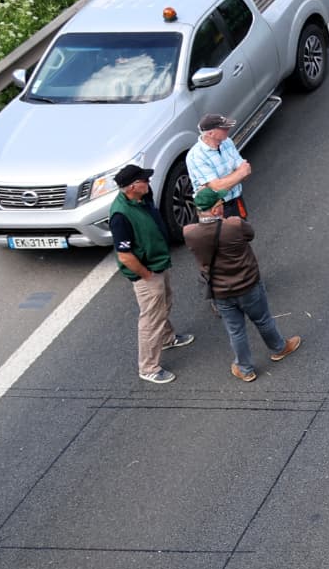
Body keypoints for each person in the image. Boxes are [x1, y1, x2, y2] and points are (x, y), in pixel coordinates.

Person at [184, 187, 302, 383]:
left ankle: (245, 369)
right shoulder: (235, 225)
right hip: (248, 285)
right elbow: (250, 234)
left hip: (221, 292)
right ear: (215, 210)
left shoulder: (190, 233)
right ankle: (279, 348)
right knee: (263, 319)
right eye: (220, 204)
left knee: (236, 330)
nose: (222, 207)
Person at [108, 164, 194, 384]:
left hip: (158, 264)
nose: (148, 183)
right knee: (151, 319)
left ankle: (167, 338)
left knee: (164, 304)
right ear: (132, 186)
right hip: (148, 273)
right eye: (144, 180)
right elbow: (125, 256)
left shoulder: (141, 198)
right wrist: (146, 275)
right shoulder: (121, 215)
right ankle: (148, 367)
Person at [186, 113, 251, 220]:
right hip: (216, 211)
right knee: (228, 236)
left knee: (245, 233)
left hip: (236, 200)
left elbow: (247, 171)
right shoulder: (195, 157)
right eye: (224, 128)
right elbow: (217, 188)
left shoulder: (227, 142)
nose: (228, 129)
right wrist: (239, 173)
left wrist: (229, 180)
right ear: (211, 133)